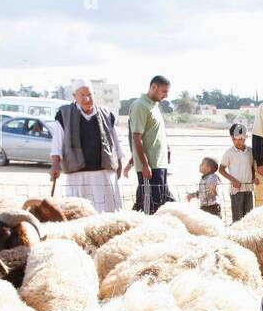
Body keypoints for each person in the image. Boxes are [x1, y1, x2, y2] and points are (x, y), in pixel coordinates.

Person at [49, 79, 124, 213]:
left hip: (104, 175)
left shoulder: (107, 114)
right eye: (82, 95)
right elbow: (57, 144)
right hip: (78, 176)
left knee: (107, 214)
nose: (87, 98)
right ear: (75, 97)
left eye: (89, 94)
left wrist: (119, 164)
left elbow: (117, 143)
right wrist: (55, 165)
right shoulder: (64, 115)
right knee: (81, 214)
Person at [129, 75, 171, 213]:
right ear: (154, 87)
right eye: (164, 91)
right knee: (148, 208)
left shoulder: (155, 106)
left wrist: (167, 148)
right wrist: (145, 164)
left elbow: (154, 133)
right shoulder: (140, 105)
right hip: (150, 167)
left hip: (160, 164)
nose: (166, 95)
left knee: (162, 204)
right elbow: (136, 137)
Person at [219, 121, 256, 222]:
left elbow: (252, 166)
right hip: (236, 191)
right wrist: (233, 181)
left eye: (240, 139)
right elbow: (221, 169)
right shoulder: (229, 153)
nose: (237, 142)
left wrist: (253, 178)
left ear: (246, 137)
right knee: (238, 218)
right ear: (231, 138)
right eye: (234, 139)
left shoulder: (250, 151)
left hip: (248, 189)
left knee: (249, 217)